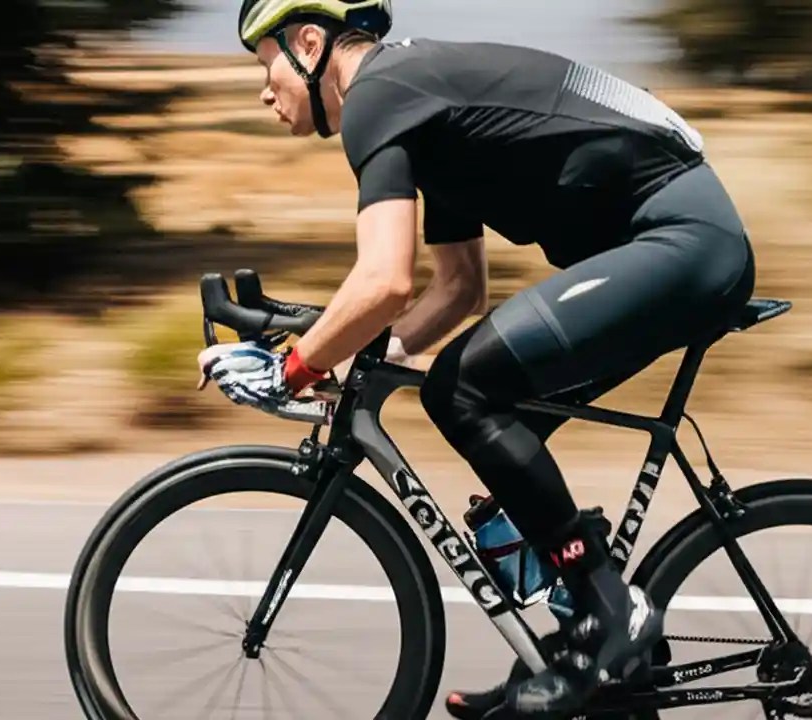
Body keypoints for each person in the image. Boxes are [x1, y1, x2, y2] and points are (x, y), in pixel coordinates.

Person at [198, 0, 757, 716]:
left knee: (461, 389)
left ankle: (608, 614)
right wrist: (356, 364)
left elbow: (384, 281)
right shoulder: (418, 110)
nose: (263, 90)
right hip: (665, 249)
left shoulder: (377, 98)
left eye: (265, 63)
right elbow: (458, 287)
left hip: (683, 242)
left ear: (309, 43)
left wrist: (294, 368)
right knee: (499, 452)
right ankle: (599, 640)